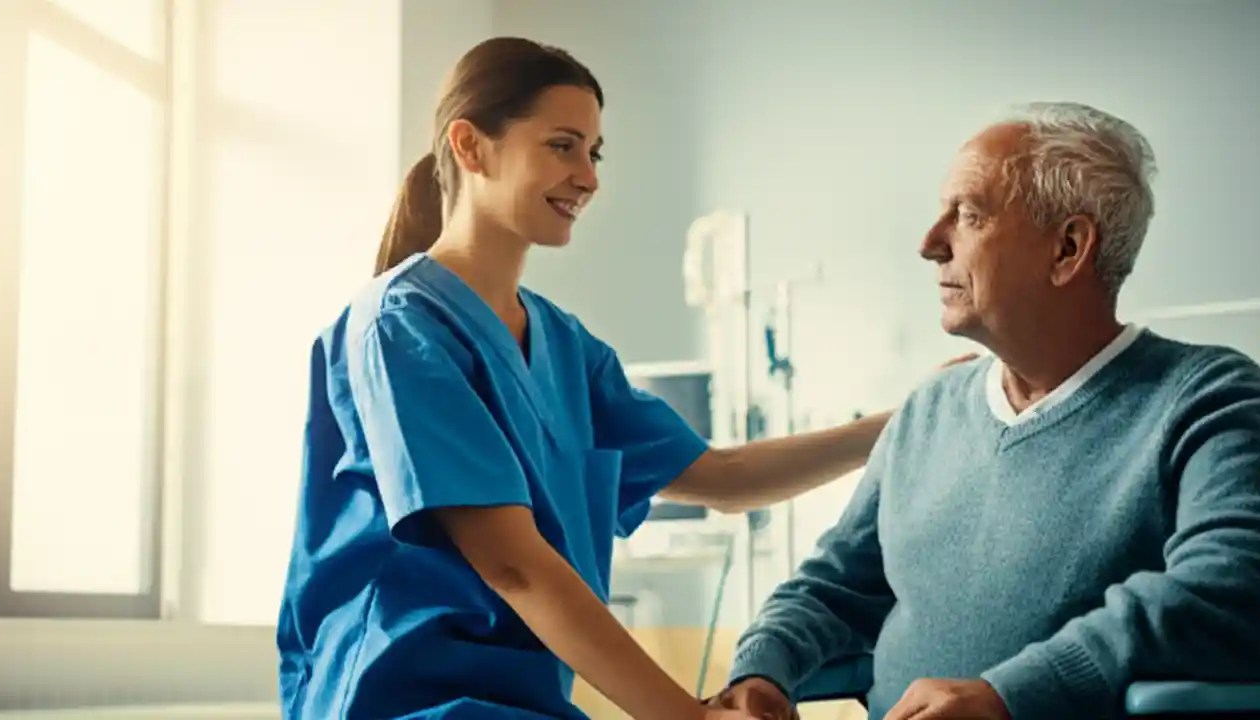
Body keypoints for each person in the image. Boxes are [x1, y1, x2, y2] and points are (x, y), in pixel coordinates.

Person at [276, 36, 925, 720]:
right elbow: (513, 565)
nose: (588, 176)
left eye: (594, 152)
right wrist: (688, 716)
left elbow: (723, 478)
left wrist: (909, 419)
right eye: (562, 146)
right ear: (470, 147)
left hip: (521, 701)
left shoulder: (566, 346)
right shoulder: (400, 325)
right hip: (402, 700)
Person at [709, 102, 1260, 720]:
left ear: (1068, 249)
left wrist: (1011, 696)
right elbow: (835, 587)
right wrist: (763, 669)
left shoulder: (1207, 396)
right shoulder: (929, 410)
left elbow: (1234, 588)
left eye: (969, 215)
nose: (929, 244)